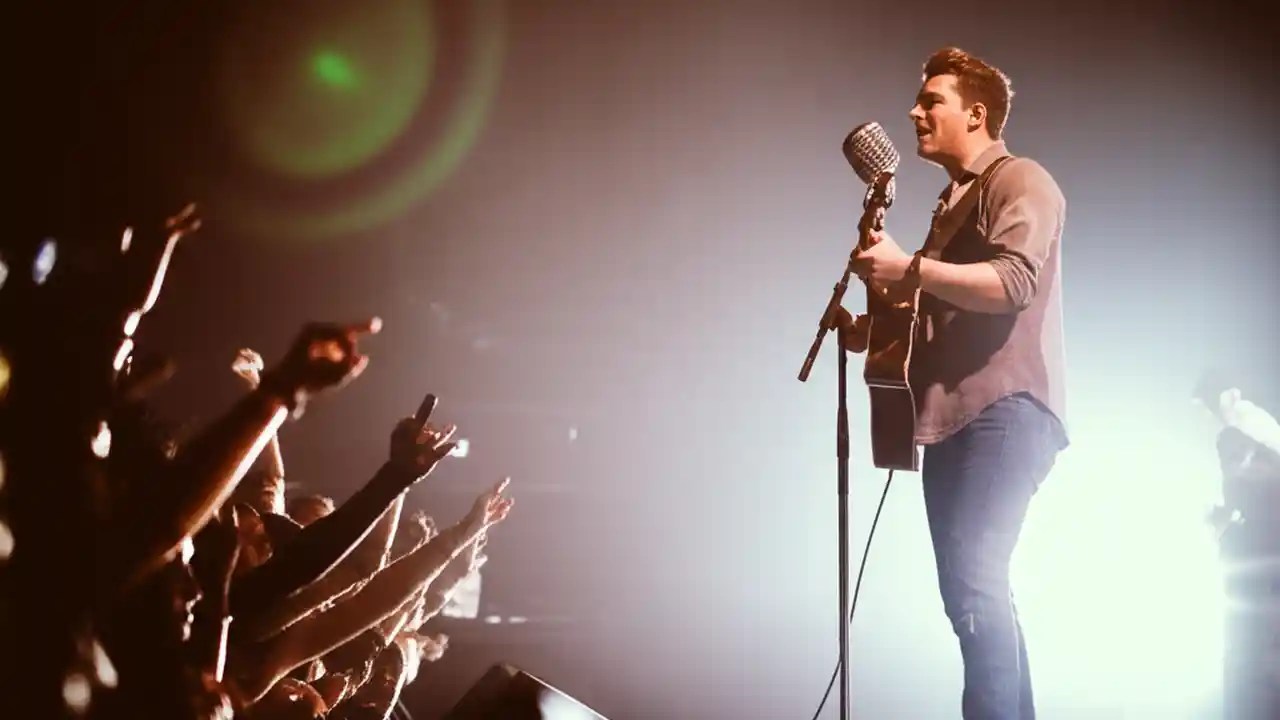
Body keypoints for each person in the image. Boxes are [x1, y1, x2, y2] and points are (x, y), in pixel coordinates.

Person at [840, 46, 1068, 719]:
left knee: (975, 585)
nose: (914, 111)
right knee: (969, 591)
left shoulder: (1021, 179)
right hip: (953, 420)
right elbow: (941, 304)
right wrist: (871, 325)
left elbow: (1012, 282)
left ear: (976, 114)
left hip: (1004, 409)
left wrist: (909, 268)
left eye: (931, 100)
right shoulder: (951, 204)